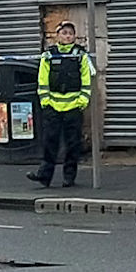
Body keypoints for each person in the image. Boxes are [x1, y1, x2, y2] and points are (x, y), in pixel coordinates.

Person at [29, 23, 92, 187]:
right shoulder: (49, 55)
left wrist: (82, 101)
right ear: (58, 36)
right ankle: (44, 176)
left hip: (73, 107)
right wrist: (45, 101)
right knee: (50, 142)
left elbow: (86, 79)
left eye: (71, 33)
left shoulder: (80, 55)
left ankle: (69, 177)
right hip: (53, 108)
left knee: (73, 144)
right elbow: (42, 79)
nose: (68, 36)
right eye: (64, 33)